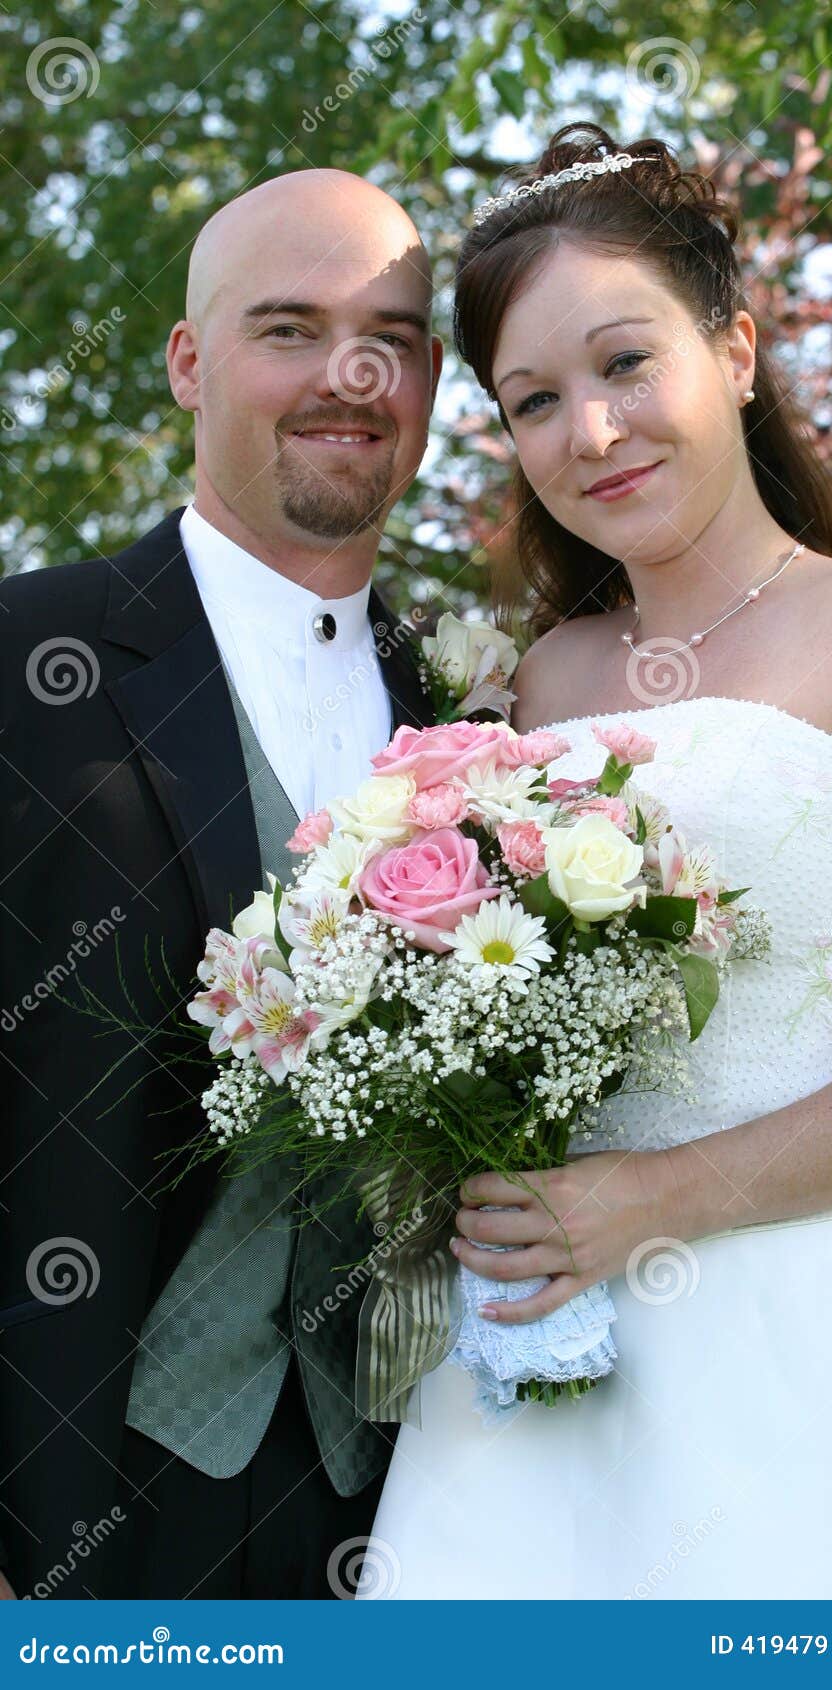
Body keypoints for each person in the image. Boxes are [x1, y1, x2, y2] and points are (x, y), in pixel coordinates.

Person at [356, 125, 832, 1600]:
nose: (590, 433)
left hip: (829, 1345)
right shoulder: (518, 693)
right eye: (535, 401)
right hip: (537, 1357)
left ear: (732, 350)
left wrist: (666, 1197)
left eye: (624, 364)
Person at [0, 169, 441, 1598]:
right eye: (289, 327)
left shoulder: (489, 715)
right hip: (77, 1501)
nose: (350, 375)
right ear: (189, 361)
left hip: (419, 1488)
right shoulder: (28, 659)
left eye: (394, 335)